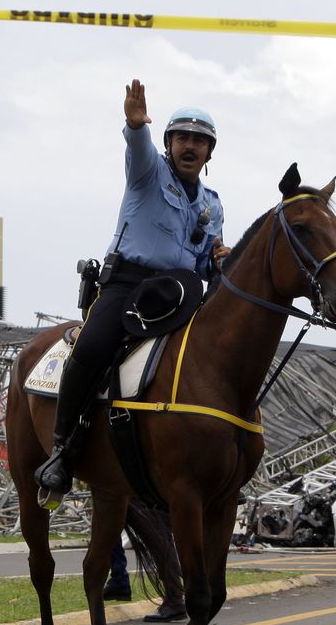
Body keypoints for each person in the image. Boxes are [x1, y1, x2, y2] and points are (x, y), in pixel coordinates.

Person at [34, 78, 231, 507]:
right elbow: (138, 147)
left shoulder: (213, 206)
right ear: (169, 143)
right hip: (127, 285)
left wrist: (219, 263)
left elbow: (202, 265)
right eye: (182, 137)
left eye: (199, 140)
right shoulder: (148, 172)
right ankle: (62, 452)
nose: (190, 146)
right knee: (92, 348)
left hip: (180, 294)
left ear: (209, 152)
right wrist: (135, 125)